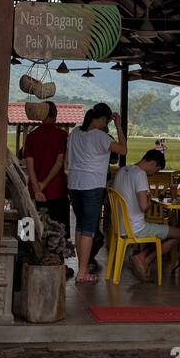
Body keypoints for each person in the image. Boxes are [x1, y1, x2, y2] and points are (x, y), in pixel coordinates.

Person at [66, 103, 126, 283]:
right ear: (102, 119)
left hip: (74, 183)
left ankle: (81, 268)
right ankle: (83, 272)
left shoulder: (75, 132)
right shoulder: (101, 136)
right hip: (92, 185)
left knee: (79, 226)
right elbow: (123, 150)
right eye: (106, 122)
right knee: (89, 229)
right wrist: (119, 126)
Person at [111, 149, 180, 282]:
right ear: (153, 163)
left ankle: (142, 257)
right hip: (136, 228)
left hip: (120, 225)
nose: (153, 174)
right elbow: (144, 207)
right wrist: (149, 199)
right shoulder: (140, 174)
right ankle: (144, 259)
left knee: (160, 232)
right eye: (156, 170)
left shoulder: (122, 170)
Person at [24, 102, 69, 234]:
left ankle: (27, 253)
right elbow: (59, 163)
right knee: (58, 237)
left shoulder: (31, 136)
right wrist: (43, 185)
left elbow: (29, 165)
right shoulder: (62, 135)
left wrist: (37, 188)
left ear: (41, 115)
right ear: (55, 116)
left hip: (33, 192)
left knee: (28, 234)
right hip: (57, 192)